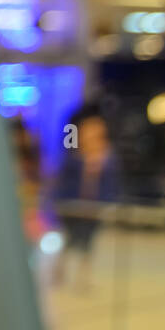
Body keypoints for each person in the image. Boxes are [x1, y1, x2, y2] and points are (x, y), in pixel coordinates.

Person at [52, 106, 120, 291]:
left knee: (88, 244)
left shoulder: (107, 159)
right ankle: (59, 270)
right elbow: (62, 180)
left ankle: (83, 277)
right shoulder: (73, 156)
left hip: (93, 207)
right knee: (69, 240)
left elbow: (110, 184)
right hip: (73, 206)